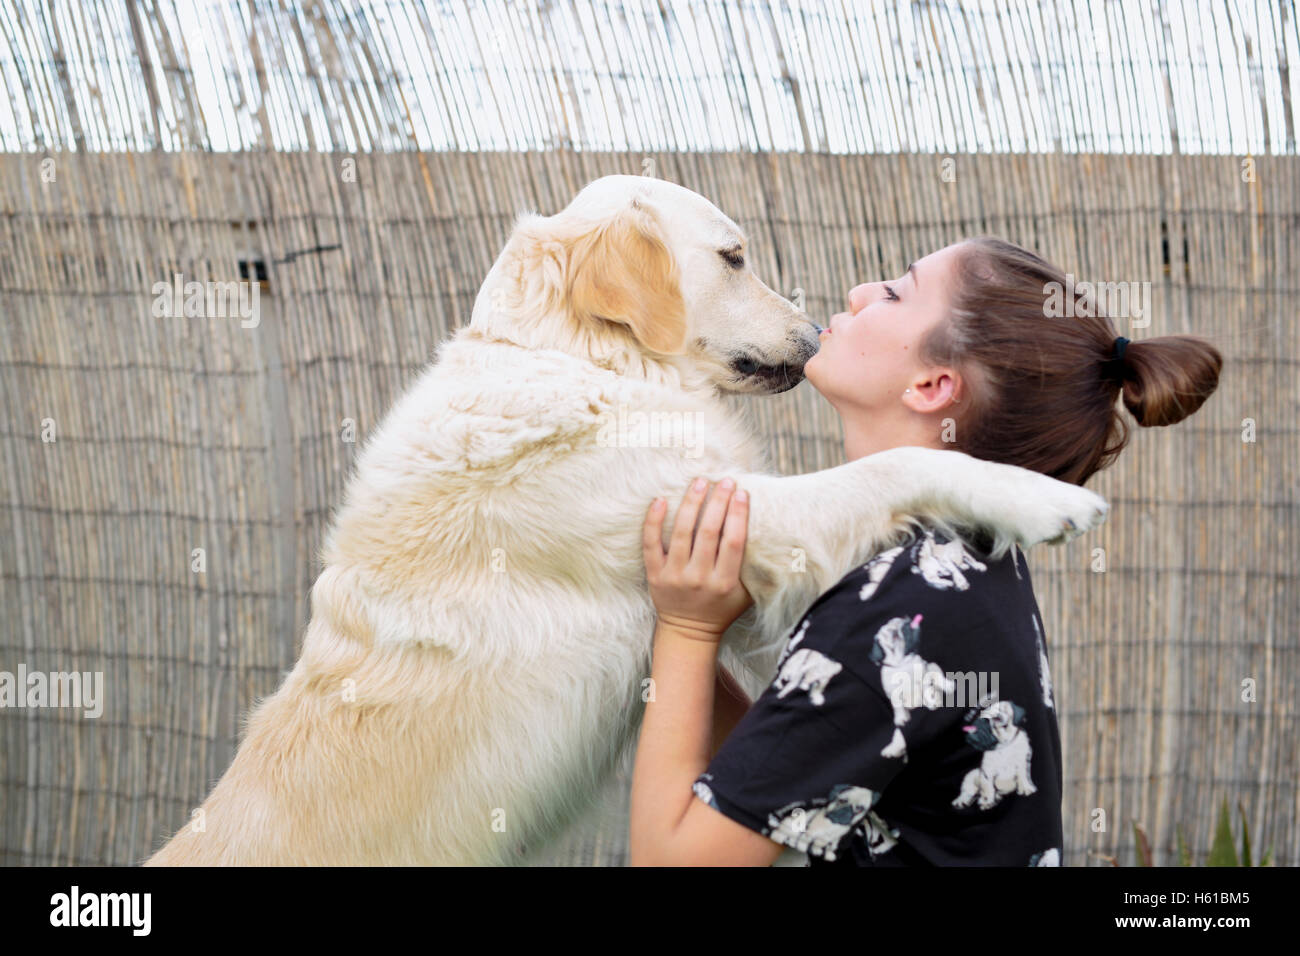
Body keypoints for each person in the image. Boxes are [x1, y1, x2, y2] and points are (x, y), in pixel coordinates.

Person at [628, 236, 1222, 866]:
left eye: (894, 291)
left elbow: (673, 860)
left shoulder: (897, 613)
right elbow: (781, 777)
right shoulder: (960, 567)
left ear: (933, 385)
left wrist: (688, 632)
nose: (859, 292)